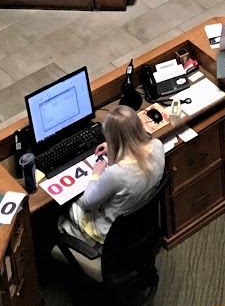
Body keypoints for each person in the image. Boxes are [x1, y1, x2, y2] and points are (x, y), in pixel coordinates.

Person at [60, 105, 166, 275]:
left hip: (111, 234)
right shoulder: (158, 146)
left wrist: (96, 173)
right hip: (139, 224)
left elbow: (88, 202)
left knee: (70, 208)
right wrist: (117, 146)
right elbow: (139, 142)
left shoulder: (116, 173)